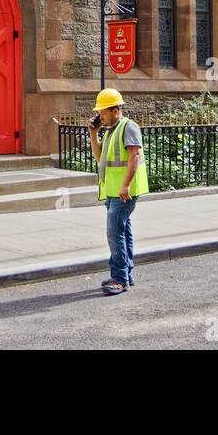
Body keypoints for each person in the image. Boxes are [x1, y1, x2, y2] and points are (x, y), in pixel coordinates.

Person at [88, 88, 149, 296]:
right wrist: (93, 132)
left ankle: (119, 278)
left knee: (114, 233)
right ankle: (126, 274)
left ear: (115, 110)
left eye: (103, 112)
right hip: (114, 191)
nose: (100, 116)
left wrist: (125, 186)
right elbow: (99, 157)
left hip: (124, 192)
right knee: (124, 232)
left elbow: (135, 156)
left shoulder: (128, 127)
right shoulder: (110, 131)